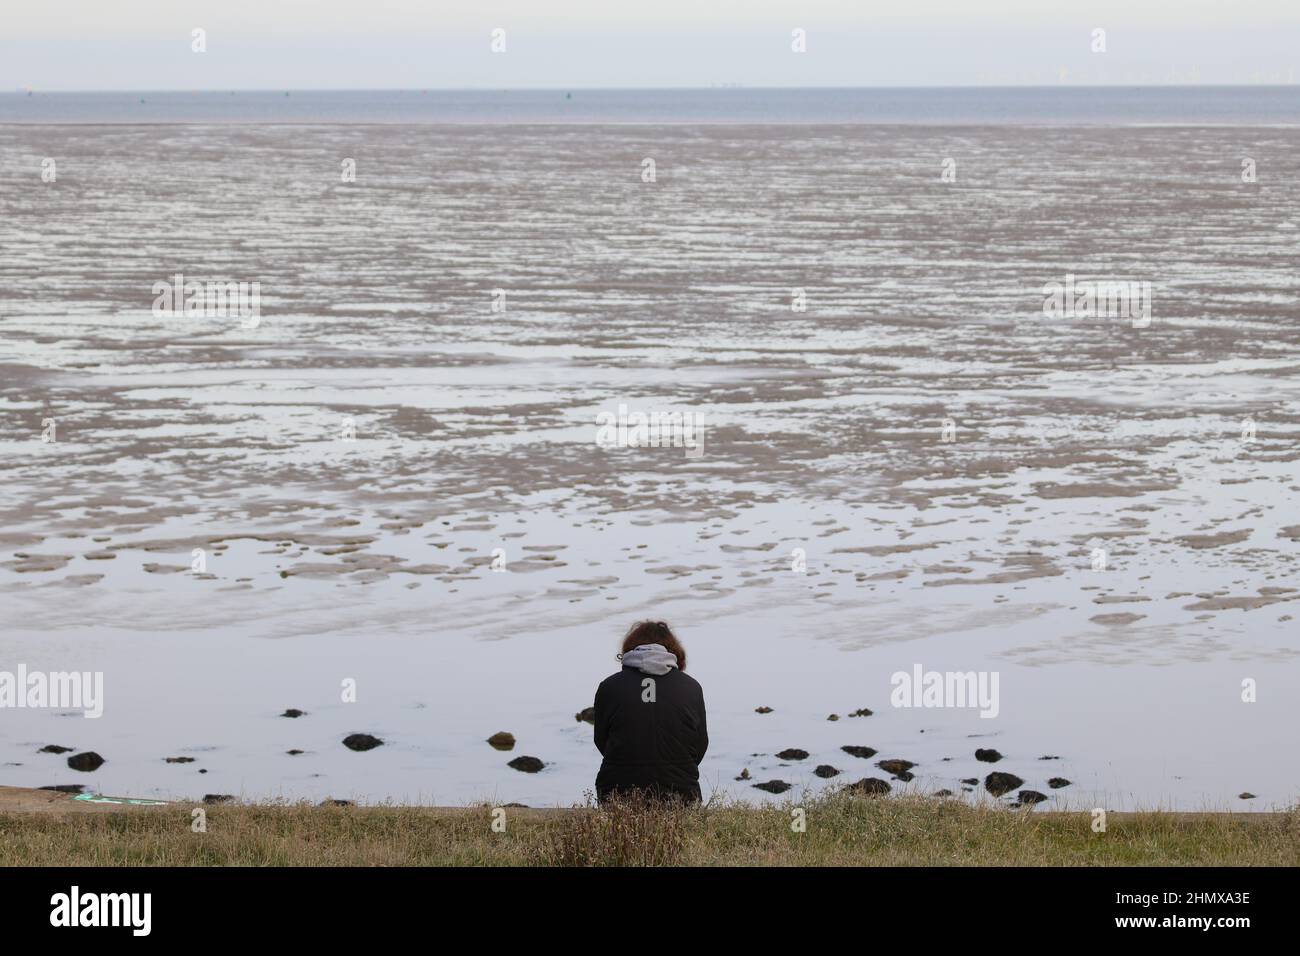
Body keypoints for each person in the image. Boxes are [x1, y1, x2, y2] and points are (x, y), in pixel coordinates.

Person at [592, 620, 708, 803]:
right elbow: (700, 746)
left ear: (629, 648)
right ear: (674, 651)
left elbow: (602, 742)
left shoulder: (609, 687)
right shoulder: (691, 688)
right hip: (681, 796)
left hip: (617, 796)